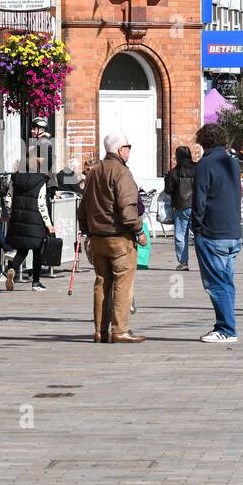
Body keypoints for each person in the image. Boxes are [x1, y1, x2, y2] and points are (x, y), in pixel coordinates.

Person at [79, 132, 147, 344]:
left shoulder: (93, 172)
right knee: (122, 283)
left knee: (101, 282)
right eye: (128, 146)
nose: (129, 150)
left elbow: (82, 208)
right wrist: (139, 231)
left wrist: (88, 232)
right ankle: (120, 329)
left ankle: (100, 330)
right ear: (119, 150)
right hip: (119, 237)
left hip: (97, 237)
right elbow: (127, 208)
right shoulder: (121, 172)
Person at [191, 123, 243, 343]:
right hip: (232, 230)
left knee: (216, 283)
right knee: (226, 280)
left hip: (212, 232)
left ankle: (226, 328)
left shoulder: (204, 164)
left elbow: (199, 200)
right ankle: (226, 325)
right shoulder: (233, 163)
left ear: (204, 142)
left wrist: (197, 227)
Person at [4, 157, 54, 292]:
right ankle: (36, 282)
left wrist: (11, 215)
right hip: (36, 219)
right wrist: (48, 223)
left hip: (18, 218)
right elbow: (41, 203)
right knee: (38, 251)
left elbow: (8, 199)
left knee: (22, 249)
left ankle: (12, 269)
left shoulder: (15, 179)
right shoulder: (41, 180)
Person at [163, 145, 196, 271]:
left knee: (180, 235)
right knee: (199, 234)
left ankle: (183, 262)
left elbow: (168, 190)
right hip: (197, 205)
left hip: (181, 206)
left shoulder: (174, 172)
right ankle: (204, 261)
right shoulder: (198, 169)